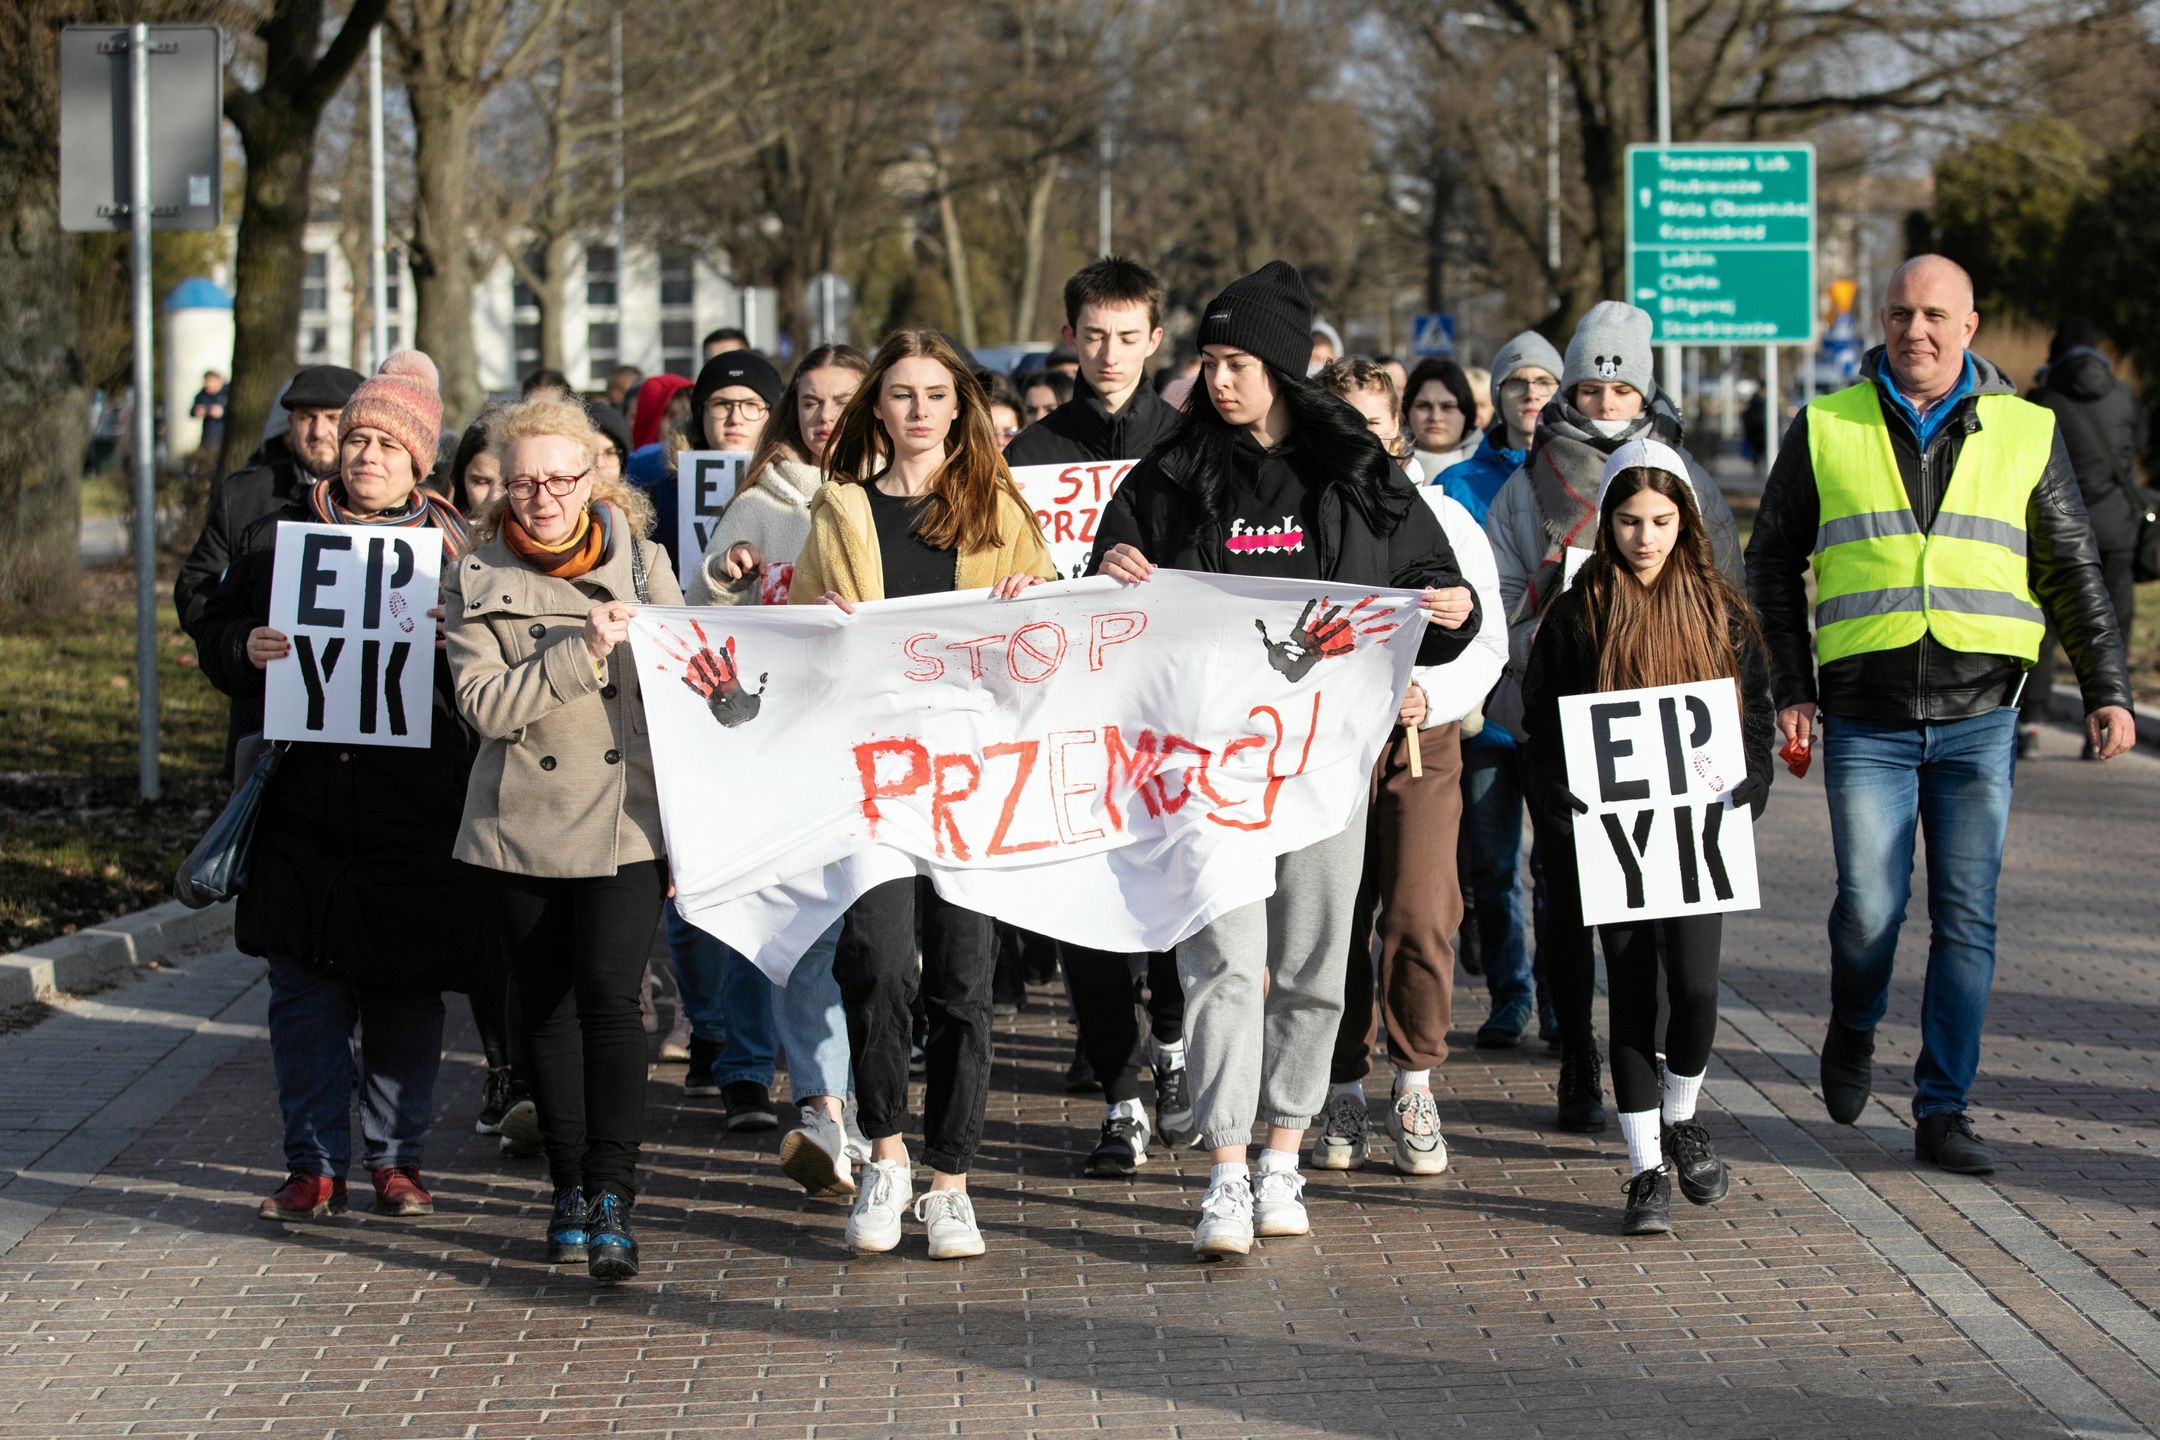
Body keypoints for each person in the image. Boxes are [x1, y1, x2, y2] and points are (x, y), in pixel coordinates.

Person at [1088, 260, 1480, 1258]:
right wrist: (1112, 575)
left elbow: (1428, 587)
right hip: (1209, 769)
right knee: (1223, 958)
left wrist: (1452, 610)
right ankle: (1225, 1171)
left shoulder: (1353, 466)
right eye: (1209, 361)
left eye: (1238, 362)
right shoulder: (1169, 476)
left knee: (1312, 963)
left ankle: (1283, 1157)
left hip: (1321, 763)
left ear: (1282, 364)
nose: (1220, 380)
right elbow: (1103, 599)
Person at [1746, 255, 2134, 1176]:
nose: (1913, 330)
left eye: (1932, 315)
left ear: (1970, 326)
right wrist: (1791, 686)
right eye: (1898, 314)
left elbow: (2072, 567)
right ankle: (1853, 1026)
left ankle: (1943, 1109)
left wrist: (2109, 689)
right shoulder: (1826, 425)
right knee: (1869, 913)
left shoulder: (2027, 430)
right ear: (1881, 323)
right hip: (1867, 717)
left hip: (1981, 712)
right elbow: (1769, 563)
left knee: (1967, 918)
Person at [188, 350, 478, 1225]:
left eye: (389, 445)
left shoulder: (455, 555)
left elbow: (499, 671)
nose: (366, 457)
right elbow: (215, 627)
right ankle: (313, 1164)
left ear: (419, 462)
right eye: (357, 440)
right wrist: (245, 647)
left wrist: (454, 640)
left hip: (414, 807)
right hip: (303, 807)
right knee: (302, 992)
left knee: (402, 991)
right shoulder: (282, 541)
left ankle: (398, 1162)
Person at [789, 328, 1056, 1259]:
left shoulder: (997, 507)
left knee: (962, 977)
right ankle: (886, 1156)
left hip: (972, 780)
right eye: (901, 394)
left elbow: (1055, 634)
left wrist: (1036, 600)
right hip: (872, 779)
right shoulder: (842, 510)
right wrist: (810, 621)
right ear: (878, 407)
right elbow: (798, 642)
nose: (918, 411)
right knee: (878, 961)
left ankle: (951, 1180)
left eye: (935, 395)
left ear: (959, 407)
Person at [1484, 300, 1743, 1134]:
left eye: (1620, 388)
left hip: (1666, 736)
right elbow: (1495, 614)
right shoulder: (1528, 485)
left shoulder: (1686, 480)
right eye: (1589, 389)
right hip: (1566, 721)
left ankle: (1662, 1067)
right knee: (1566, 899)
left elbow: (1723, 600)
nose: (1603, 404)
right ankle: (1575, 1050)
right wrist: (1552, 615)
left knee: (1665, 916)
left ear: (1644, 390)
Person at [445, 393, 685, 1283]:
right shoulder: (474, 574)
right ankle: (568, 1187)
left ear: (596, 478)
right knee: (541, 1007)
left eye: (559, 478)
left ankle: (615, 1193)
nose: (541, 497)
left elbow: (701, 680)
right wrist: (579, 653)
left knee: (610, 999)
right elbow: (484, 708)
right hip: (519, 821)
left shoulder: (648, 561)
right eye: (522, 482)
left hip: (627, 815)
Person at [1522, 438, 1774, 1234]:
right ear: (1607, 521)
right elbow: (1542, 729)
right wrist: (1557, 797)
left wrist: (1752, 783)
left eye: (1662, 520)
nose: (1645, 538)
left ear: (1686, 521)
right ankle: (1643, 1169)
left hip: (1697, 835)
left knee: (1695, 992)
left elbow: (1754, 716)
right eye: (1629, 520)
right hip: (1615, 838)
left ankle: (1682, 1113)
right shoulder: (1578, 611)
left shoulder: (1722, 612)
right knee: (1633, 993)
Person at [1004, 257, 1195, 1176]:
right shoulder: (1028, 457)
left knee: (1175, 889)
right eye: (1094, 336)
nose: (1111, 354)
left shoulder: (1194, 442)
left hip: (1168, 709)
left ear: (1157, 340)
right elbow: (1001, 574)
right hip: (1069, 711)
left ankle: (1172, 1043)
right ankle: (1121, 1094)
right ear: (1072, 336)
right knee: (1084, 907)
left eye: (1129, 337)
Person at [684, 343, 873, 1192]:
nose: (824, 418)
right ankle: (824, 1114)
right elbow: (700, 625)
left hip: (891, 755)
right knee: (810, 941)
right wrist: (725, 579)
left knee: (885, 949)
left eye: (842, 401)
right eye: (809, 403)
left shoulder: (908, 495)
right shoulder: (760, 507)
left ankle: (880, 1107)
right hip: (793, 757)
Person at [1313, 359, 1507, 1177]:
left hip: (1419, 745)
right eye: (1340, 423)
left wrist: (1430, 690)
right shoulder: (1301, 517)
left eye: (1372, 423)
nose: (1360, 439)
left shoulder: (1441, 517)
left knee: (1423, 914)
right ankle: (1343, 1087)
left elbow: (1488, 636)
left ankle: (1415, 1077)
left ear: (1394, 429)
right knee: (1332, 922)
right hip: (1323, 745)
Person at [1436, 331, 1564, 1049]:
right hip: (1485, 706)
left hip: (1551, 706)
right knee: (1490, 860)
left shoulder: (1578, 475)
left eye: (1545, 382)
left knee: (1554, 862)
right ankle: (1510, 992)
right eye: (1518, 383)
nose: (1531, 395)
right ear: (1498, 396)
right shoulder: (1461, 483)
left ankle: (1554, 993)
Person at [177, 365, 365, 776]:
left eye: (332, 419)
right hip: (267, 724)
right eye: (305, 418)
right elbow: (196, 587)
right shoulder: (244, 494)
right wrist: (243, 641)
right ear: (288, 424)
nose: (317, 432)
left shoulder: (401, 498)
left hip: (372, 737)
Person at [2025, 316, 2145, 755]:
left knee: (2045, 629)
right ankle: (2105, 725)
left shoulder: (2042, 398)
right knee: (2113, 626)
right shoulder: (2124, 394)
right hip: (2118, 528)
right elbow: (2137, 445)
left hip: (2058, 529)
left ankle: (2032, 726)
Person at [1402, 357, 1480, 482]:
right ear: (1407, 411)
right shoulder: (1386, 469)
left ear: (1466, 411)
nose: (1435, 417)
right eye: (1423, 406)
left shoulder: (1493, 468)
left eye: (1447, 406)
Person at [190, 369, 227, 459]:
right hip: (208, 437)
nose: (207, 384)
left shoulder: (227, 392)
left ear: (218, 381)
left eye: (210, 381)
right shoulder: (202, 394)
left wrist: (222, 412)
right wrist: (197, 411)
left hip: (224, 436)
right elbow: (192, 412)